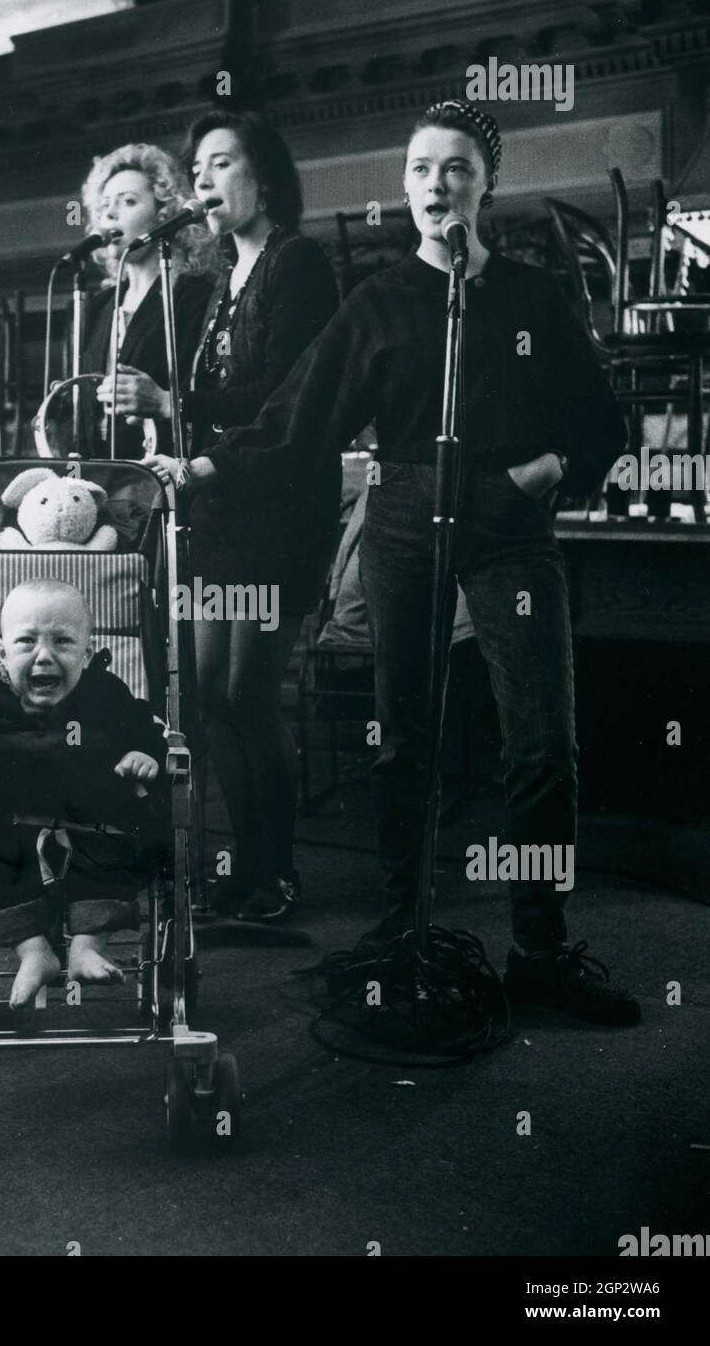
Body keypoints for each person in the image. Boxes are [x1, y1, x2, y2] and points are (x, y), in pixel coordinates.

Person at [174, 100, 639, 1025]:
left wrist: (539, 472)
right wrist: (204, 464)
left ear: (485, 184)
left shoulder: (529, 298)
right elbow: (300, 416)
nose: (438, 184)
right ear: (406, 187)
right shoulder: (378, 301)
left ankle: (541, 951)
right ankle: (398, 932)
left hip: (506, 527)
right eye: (422, 169)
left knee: (540, 741)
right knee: (403, 741)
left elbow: (601, 425)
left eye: (457, 168)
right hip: (400, 518)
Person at [137, 111, 340, 920]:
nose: (205, 181)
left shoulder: (298, 264)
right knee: (212, 696)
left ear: (266, 176)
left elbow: (290, 396)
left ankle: (277, 872)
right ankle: (245, 868)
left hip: (276, 509)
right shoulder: (223, 278)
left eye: (222, 163)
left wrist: (175, 402)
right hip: (219, 504)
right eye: (198, 167)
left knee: (249, 692)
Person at [0, 579, 167, 1010]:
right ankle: (35, 953)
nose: (44, 655)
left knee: (117, 854)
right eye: (26, 641)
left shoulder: (106, 695)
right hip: (9, 836)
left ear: (87, 654)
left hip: (95, 825)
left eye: (63, 642)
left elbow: (148, 730)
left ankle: (86, 946)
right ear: (1, 654)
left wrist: (146, 754)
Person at [77, 143, 212, 459]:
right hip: (99, 478)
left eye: (128, 201)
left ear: (164, 213)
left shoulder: (196, 296)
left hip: (164, 474)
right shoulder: (98, 307)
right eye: (105, 204)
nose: (110, 213)